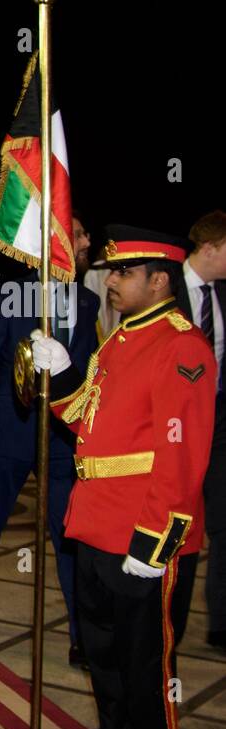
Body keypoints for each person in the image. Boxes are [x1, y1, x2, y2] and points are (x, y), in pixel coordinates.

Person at [35, 225, 216, 729]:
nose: (110, 282)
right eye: (111, 272)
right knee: (106, 657)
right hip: (94, 528)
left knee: (145, 665)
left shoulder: (182, 347)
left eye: (123, 274)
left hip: (143, 537)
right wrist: (61, 376)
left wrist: (154, 542)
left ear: (158, 280)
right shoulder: (118, 341)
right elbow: (84, 420)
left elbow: (182, 453)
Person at [0, 217, 99, 670]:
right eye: (78, 235)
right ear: (55, 241)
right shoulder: (9, 295)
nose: (87, 242)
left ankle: (80, 635)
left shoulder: (89, 300)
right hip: (7, 431)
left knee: (68, 535)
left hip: (63, 440)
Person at [170, 210, 226, 649]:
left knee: (223, 522)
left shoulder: (224, 294)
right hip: (176, 424)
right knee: (178, 520)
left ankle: (220, 621)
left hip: (220, 421)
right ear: (210, 248)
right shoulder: (165, 287)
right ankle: (169, 616)